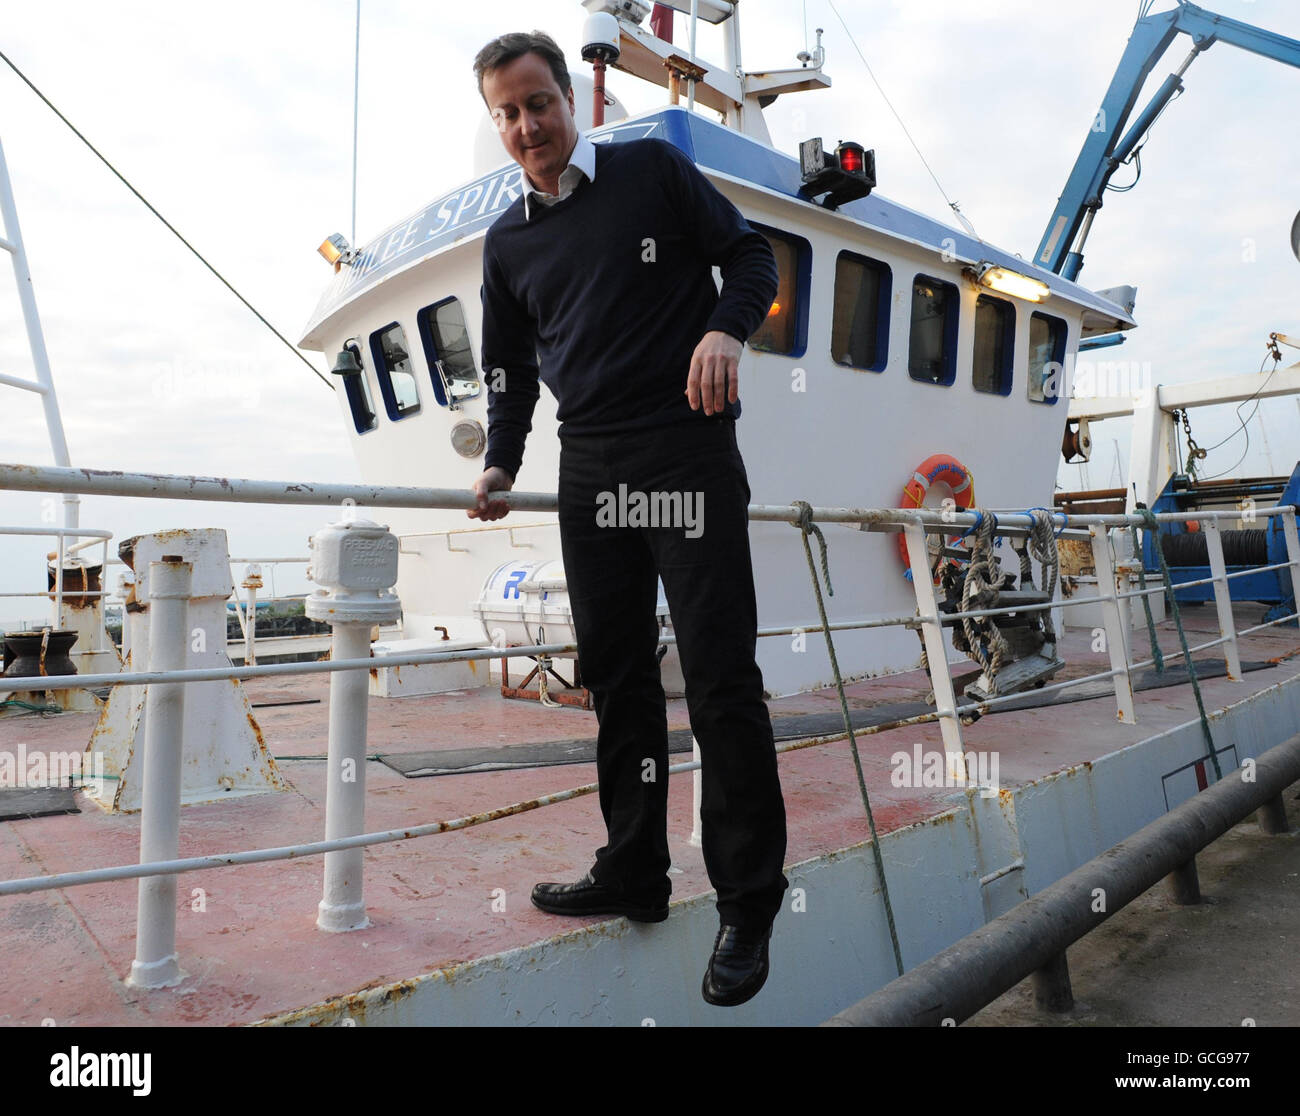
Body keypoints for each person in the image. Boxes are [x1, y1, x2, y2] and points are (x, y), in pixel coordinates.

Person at [468, 29, 787, 1008]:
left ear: (571, 98)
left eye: (538, 104)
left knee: (719, 672)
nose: (528, 127)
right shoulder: (508, 241)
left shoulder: (650, 172)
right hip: (589, 468)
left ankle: (748, 899)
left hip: (684, 451)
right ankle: (634, 869)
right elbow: (510, 373)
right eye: (508, 115)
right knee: (614, 678)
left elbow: (750, 259)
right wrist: (497, 459)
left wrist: (723, 331)